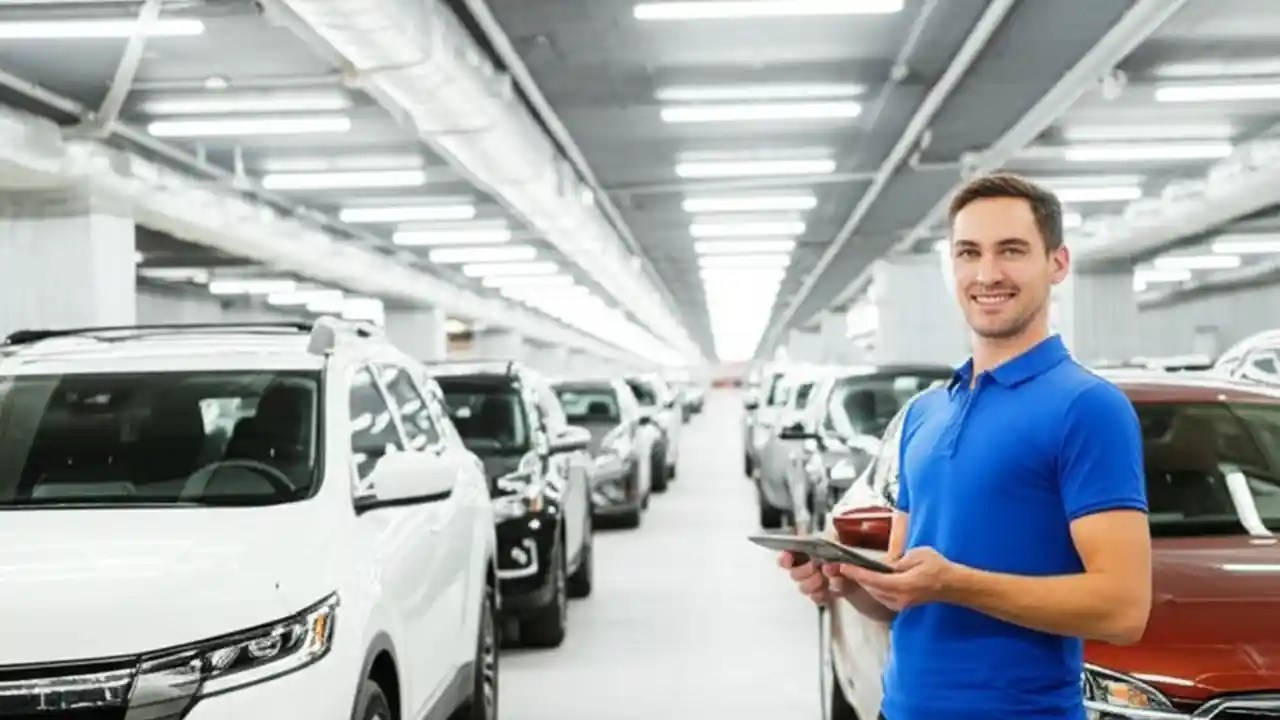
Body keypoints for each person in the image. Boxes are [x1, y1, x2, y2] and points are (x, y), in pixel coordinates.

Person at [781, 173, 1152, 720]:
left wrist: (957, 583)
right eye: (968, 253)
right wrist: (845, 581)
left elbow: (1123, 609)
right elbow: (903, 592)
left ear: (1057, 264)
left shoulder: (1088, 408)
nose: (987, 273)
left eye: (1012, 251)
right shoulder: (925, 414)